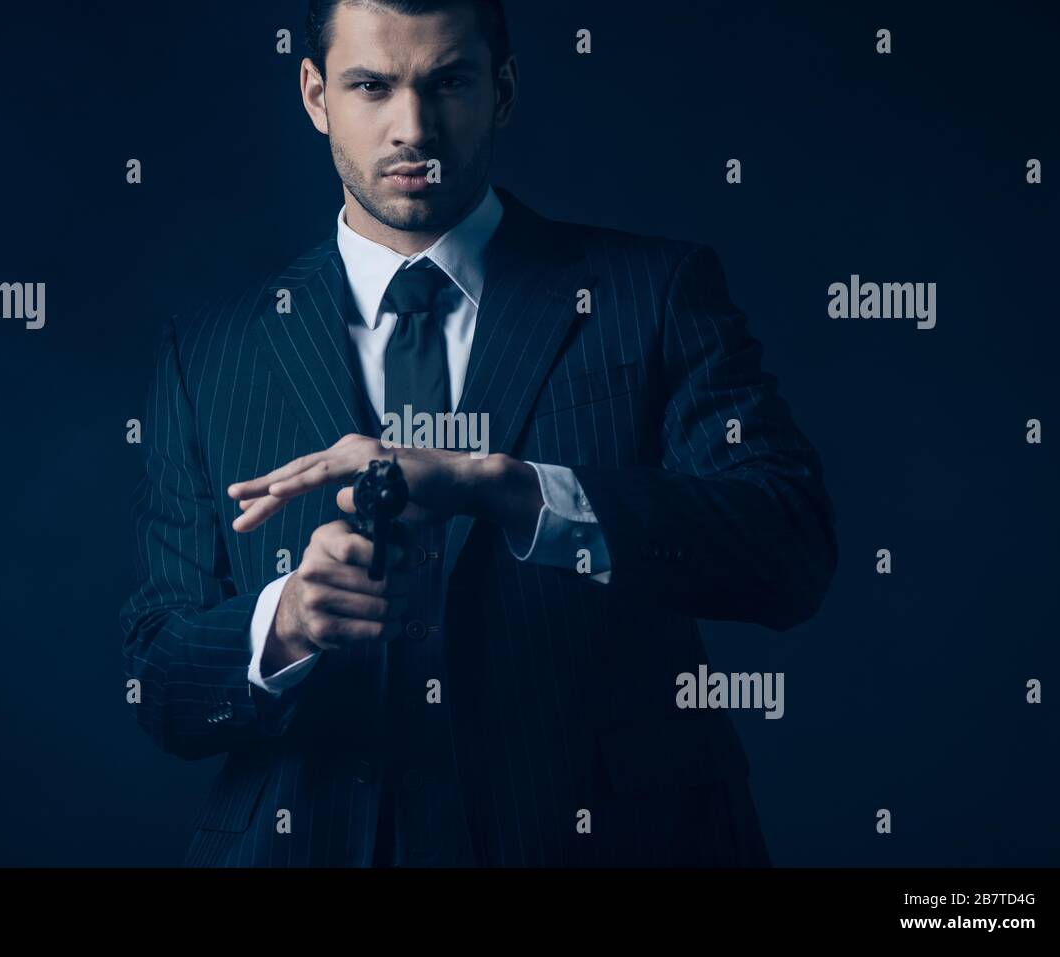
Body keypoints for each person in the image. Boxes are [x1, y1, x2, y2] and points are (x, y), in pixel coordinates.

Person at [120, 0, 837, 866]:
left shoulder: (653, 294)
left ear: (502, 89)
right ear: (315, 96)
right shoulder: (209, 353)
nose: (412, 128)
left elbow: (785, 547)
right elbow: (159, 681)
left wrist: (510, 488)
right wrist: (285, 623)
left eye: (448, 82)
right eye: (371, 86)